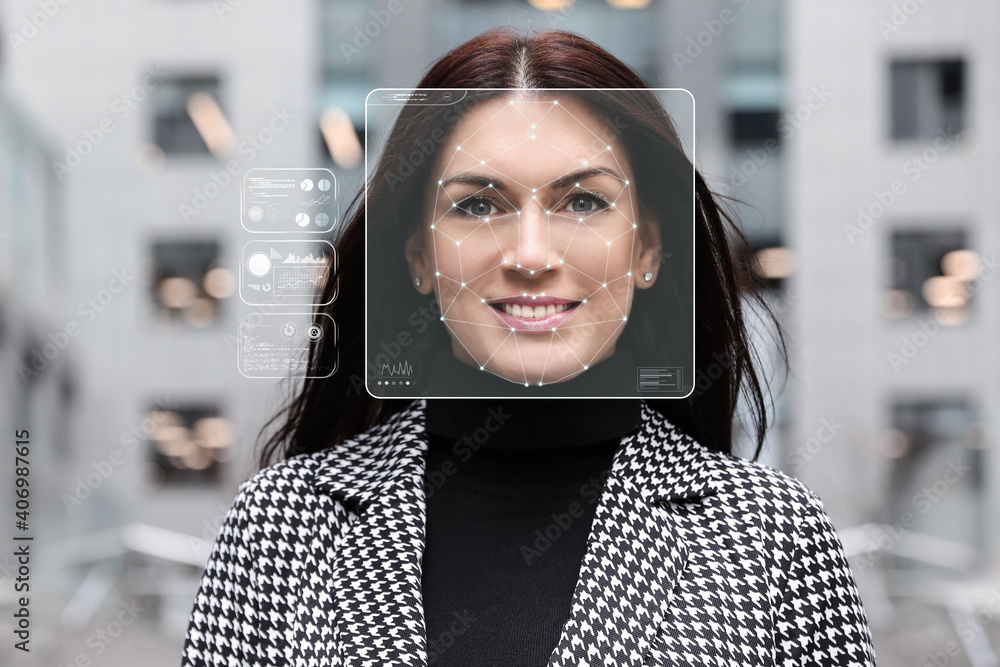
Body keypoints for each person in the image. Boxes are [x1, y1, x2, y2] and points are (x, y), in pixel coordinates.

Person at [181, 28, 877, 667]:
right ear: (420, 255)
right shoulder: (280, 528)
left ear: (649, 249)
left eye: (583, 202)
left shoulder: (773, 539)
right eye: (479, 204)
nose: (532, 253)